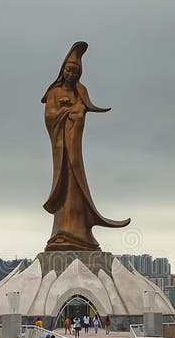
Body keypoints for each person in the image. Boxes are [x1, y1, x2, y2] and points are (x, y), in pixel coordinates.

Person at [41, 42, 130, 250]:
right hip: (61, 148)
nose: (71, 74)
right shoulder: (53, 92)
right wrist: (62, 113)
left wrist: (72, 113)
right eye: (68, 70)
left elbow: (80, 112)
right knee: (65, 185)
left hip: (73, 146)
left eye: (75, 71)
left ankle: (80, 232)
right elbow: (50, 116)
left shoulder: (81, 91)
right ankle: (62, 231)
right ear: (62, 70)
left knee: (76, 184)